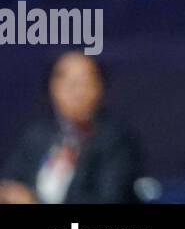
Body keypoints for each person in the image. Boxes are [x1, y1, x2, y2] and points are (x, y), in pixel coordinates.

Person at [0, 52, 142, 204]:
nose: (78, 93)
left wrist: (35, 202)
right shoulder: (37, 134)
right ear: (53, 88)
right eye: (70, 84)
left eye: (85, 83)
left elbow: (110, 199)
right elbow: (10, 183)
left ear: (99, 88)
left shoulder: (116, 140)